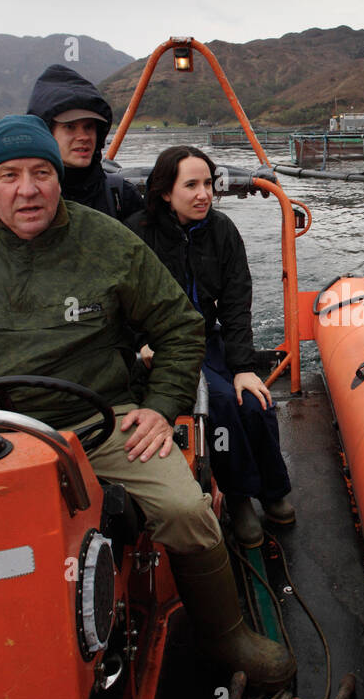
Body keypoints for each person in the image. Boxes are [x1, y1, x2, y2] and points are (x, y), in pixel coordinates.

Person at [0, 114, 294, 689]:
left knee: (185, 511)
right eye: (9, 174)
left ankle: (224, 633)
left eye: (40, 173)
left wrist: (158, 404)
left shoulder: (108, 242)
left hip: (103, 422)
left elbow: (180, 327)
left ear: (57, 178)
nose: (27, 189)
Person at [126, 145, 294, 549]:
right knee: (219, 402)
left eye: (208, 184)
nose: (204, 194)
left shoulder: (222, 231)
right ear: (166, 191)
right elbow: (122, 299)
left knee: (254, 399)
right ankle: (237, 497)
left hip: (209, 338)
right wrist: (141, 345)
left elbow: (237, 302)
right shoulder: (136, 234)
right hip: (163, 345)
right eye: (192, 185)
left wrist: (243, 366)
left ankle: (272, 489)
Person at [26, 64, 143, 220]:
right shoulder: (22, 199)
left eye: (88, 127)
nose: (83, 137)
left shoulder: (122, 194)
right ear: (47, 133)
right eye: (70, 127)